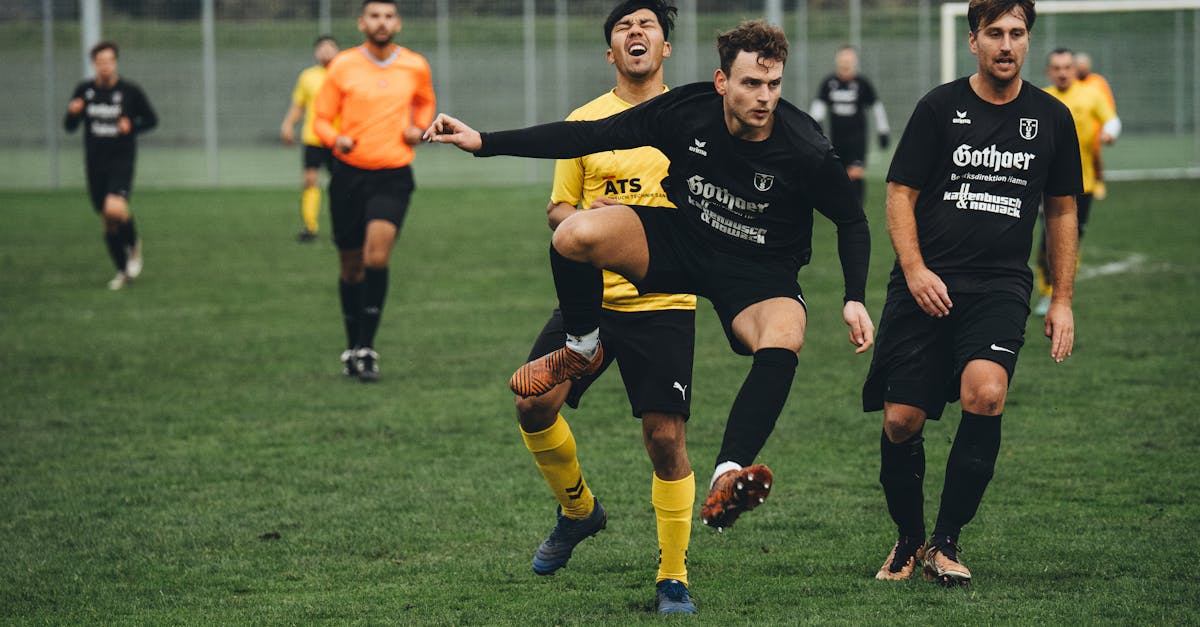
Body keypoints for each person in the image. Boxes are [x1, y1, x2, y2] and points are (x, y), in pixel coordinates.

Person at [426, 18, 875, 542]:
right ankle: (581, 345)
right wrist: (484, 141)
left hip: (758, 269)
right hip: (681, 242)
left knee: (786, 336)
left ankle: (728, 475)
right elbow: (585, 135)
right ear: (721, 81)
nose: (764, 97)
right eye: (751, 83)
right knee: (574, 234)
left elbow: (851, 220)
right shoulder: (684, 112)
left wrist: (854, 299)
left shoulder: (805, 147)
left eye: (774, 85)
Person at [863, 0, 1082, 587]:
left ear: (1028, 41)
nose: (1006, 45)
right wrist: (913, 269)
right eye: (994, 34)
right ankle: (908, 540)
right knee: (903, 419)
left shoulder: (1052, 118)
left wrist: (1060, 297)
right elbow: (900, 193)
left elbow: (1062, 211)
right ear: (973, 42)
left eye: (1016, 33)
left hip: (1000, 287)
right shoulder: (939, 107)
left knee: (986, 393)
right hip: (926, 283)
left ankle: (946, 542)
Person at [514, 1, 698, 614]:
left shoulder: (691, 124)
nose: (636, 33)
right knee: (532, 402)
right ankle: (578, 511)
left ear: (665, 47)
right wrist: (592, 224)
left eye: (647, 26)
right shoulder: (584, 123)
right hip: (591, 301)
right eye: (623, 28)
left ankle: (673, 578)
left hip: (664, 303)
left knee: (664, 438)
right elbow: (558, 212)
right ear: (610, 52)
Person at [313, 0, 435, 382]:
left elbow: (425, 102)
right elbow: (319, 117)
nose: (381, 23)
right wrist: (337, 139)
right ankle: (352, 347)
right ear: (361, 23)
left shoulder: (414, 65)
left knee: (376, 257)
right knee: (350, 266)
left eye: (388, 16)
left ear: (397, 23)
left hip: (393, 175)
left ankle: (366, 347)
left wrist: (419, 127)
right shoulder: (343, 65)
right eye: (374, 16)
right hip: (348, 176)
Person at [64, 41, 158, 290]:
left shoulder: (130, 92)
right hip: (95, 164)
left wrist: (132, 126)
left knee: (114, 209)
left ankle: (134, 244)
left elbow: (151, 120)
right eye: (100, 61)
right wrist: (73, 113)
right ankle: (123, 272)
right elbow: (69, 127)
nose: (105, 66)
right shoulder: (84, 91)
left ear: (115, 62)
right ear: (94, 63)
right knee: (108, 221)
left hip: (121, 161)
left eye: (109, 61)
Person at [1034, 48, 1119, 316]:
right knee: (1048, 240)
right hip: (1046, 185)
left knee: (1072, 239)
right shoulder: (1041, 98)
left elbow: (1113, 121)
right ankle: (1047, 293)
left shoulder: (1090, 95)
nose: (1062, 73)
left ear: (1075, 70)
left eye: (1067, 67)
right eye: (1056, 68)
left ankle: (1060, 293)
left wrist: (1109, 133)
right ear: (1049, 72)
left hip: (1083, 184)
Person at [809, 45, 890, 207]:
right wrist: (813, 128)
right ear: (837, 60)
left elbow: (876, 107)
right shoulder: (829, 83)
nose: (845, 63)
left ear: (855, 61)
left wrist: (883, 130)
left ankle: (857, 209)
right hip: (836, 138)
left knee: (855, 173)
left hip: (857, 138)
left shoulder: (862, 84)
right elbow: (818, 108)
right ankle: (843, 207)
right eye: (842, 59)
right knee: (839, 175)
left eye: (849, 59)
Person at [280, 35, 339, 243]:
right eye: (321, 48)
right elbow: (299, 105)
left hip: (338, 139)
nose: (325, 52)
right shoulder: (308, 76)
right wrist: (288, 124)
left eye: (330, 47)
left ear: (337, 50)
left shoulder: (344, 74)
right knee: (310, 180)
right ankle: (310, 227)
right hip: (313, 137)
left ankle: (341, 225)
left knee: (340, 185)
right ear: (316, 52)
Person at [1074, 52, 1116, 200]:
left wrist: (1107, 128)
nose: (1081, 69)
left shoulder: (1097, 82)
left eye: (1084, 66)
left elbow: (1107, 104)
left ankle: (1098, 181)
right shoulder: (1071, 83)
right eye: (1079, 66)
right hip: (1078, 126)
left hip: (1095, 126)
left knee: (1095, 156)